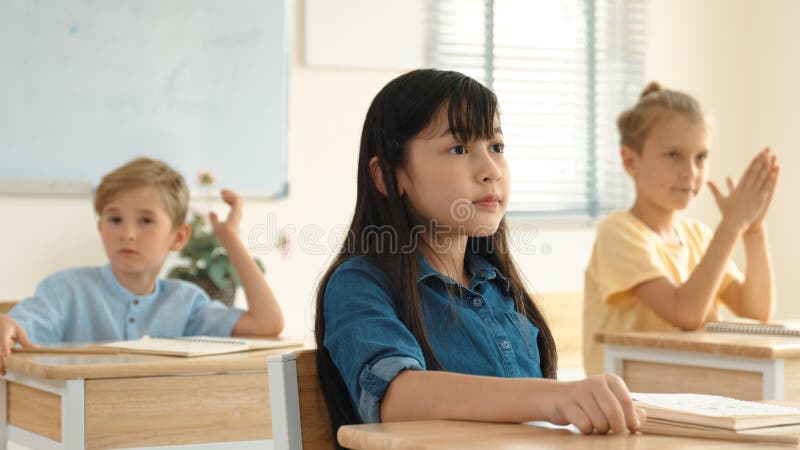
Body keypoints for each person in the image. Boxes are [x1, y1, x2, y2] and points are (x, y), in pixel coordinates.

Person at [315, 69, 645, 446]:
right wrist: (554, 397)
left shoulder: (498, 288)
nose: (491, 171)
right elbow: (396, 397)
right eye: (459, 148)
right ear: (389, 175)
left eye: (497, 147)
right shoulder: (358, 284)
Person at [0, 157, 284, 373]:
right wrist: (7, 323)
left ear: (179, 237)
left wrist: (229, 238)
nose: (127, 233)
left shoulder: (187, 302)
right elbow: (17, 328)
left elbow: (268, 323)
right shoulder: (65, 290)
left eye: (146, 221)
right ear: (100, 228)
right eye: (115, 219)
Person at [583, 82, 779, 375]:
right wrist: (731, 225)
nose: (690, 172)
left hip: (688, 387)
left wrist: (753, 229)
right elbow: (685, 313)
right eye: (673, 155)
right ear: (630, 161)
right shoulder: (618, 231)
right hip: (627, 394)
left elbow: (756, 310)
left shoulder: (698, 236)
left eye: (701, 157)